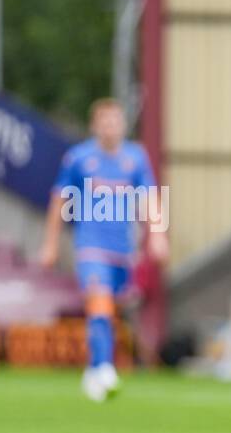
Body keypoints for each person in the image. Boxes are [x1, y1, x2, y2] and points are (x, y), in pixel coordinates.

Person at [41, 98, 167, 401]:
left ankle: (93, 369)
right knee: (100, 304)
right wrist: (50, 244)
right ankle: (104, 368)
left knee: (111, 310)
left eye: (115, 120)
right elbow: (60, 200)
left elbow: (150, 197)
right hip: (90, 246)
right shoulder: (79, 158)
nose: (110, 126)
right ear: (94, 125)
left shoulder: (135, 158)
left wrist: (158, 235)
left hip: (123, 250)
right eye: (104, 121)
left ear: (123, 125)